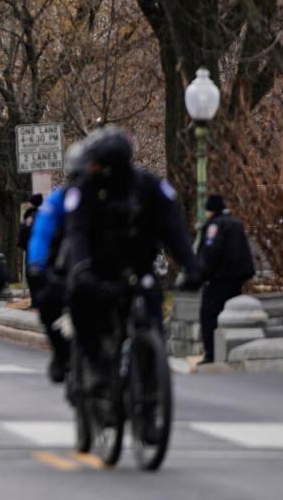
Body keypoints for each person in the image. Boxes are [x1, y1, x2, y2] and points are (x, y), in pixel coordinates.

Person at [64, 127, 202, 392]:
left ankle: (151, 391)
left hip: (140, 267)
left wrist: (191, 265)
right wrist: (81, 269)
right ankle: (95, 364)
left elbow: (174, 229)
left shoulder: (150, 187)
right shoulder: (84, 190)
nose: (92, 170)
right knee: (81, 298)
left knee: (152, 314)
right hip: (98, 269)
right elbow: (77, 232)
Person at [26, 140, 90, 383]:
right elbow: (41, 233)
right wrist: (36, 264)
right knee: (48, 303)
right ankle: (62, 354)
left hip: (108, 266)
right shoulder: (60, 200)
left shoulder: (116, 195)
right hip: (70, 267)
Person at [197, 194, 255, 364]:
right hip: (238, 277)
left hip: (219, 278)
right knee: (230, 312)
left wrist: (201, 274)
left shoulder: (215, 225)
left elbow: (210, 252)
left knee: (208, 314)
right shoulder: (235, 223)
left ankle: (211, 353)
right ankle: (229, 350)